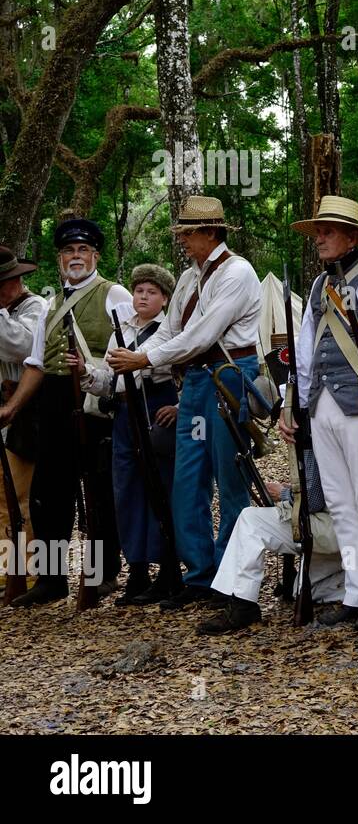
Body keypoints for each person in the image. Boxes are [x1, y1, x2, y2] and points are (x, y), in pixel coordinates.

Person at [107, 196, 263, 610]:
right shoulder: (190, 278)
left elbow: (203, 335)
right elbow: (170, 331)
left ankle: (228, 579)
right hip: (195, 382)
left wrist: (144, 358)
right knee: (187, 478)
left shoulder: (238, 273)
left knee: (230, 478)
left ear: (211, 233)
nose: (184, 241)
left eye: (189, 234)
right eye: (182, 234)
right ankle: (198, 574)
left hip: (229, 376)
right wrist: (135, 356)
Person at [279, 195, 358, 631]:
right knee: (339, 504)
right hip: (323, 408)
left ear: (351, 237)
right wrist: (293, 404)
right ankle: (355, 589)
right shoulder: (317, 286)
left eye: (328, 232)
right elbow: (307, 354)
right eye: (318, 232)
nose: (320, 239)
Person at [12, 217, 130, 606]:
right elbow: (35, 364)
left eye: (82, 250)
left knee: (96, 492)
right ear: (60, 259)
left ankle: (101, 575)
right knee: (49, 492)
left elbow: (128, 356)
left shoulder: (115, 295)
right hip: (54, 401)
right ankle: (50, 580)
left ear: (95, 255)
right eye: (68, 251)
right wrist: (11, 408)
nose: (75, 257)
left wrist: (94, 374)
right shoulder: (49, 305)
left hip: (95, 401)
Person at [80, 265, 180, 605]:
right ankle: (137, 571)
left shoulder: (170, 330)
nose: (143, 297)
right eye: (139, 291)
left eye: (152, 292)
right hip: (124, 413)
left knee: (160, 489)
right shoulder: (119, 330)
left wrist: (180, 407)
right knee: (127, 492)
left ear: (165, 298)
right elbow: (110, 380)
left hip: (156, 409)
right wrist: (85, 374)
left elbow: (183, 371)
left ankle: (168, 570)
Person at [198, 454, 345, 635]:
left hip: (333, 528)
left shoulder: (313, 436)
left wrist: (283, 494)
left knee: (250, 519)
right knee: (303, 590)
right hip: (349, 530)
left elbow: (313, 501)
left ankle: (243, 603)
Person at [0, 247, 48, 595]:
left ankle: (29, 572)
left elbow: (20, 346)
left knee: (21, 498)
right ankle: (6, 569)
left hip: (25, 416)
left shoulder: (35, 308)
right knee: (2, 500)